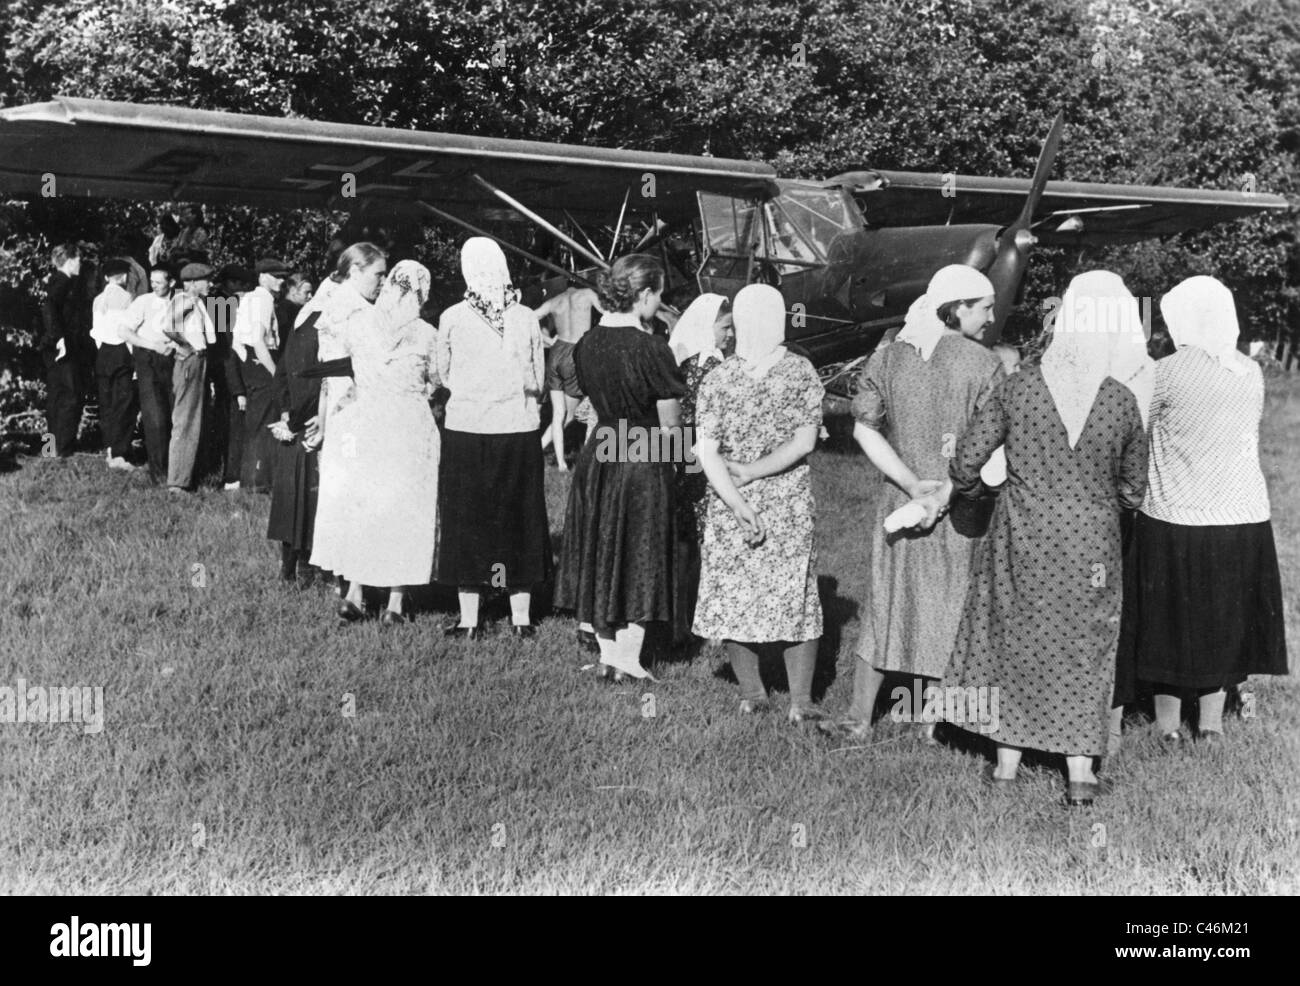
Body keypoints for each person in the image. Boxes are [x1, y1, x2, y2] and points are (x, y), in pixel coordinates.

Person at [943, 271, 1149, 807]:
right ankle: (1080, 773)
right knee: (1085, 645)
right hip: (1093, 544)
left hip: (1024, 534)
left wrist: (977, 489)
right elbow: (1134, 490)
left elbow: (967, 460)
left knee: (1016, 634)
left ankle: (1006, 766)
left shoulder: (1019, 387)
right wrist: (1105, 506)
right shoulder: (1120, 400)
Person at [820, 265, 1005, 740]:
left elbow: (864, 428)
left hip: (898, 500)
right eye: (984, 306)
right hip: (960, 504)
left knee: (888, 600)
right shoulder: (984, 365)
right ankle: (930, 722)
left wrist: (909, 484)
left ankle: (860, 717)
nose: (990, 316)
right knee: (951, 604)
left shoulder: (887, 359)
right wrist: (944, 491)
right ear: (958, 306)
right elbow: (992, 449)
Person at [1118, 275, 1287, 744]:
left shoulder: (1164, 372)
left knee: (1168, 618)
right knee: (1223, 618)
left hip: (1176, 512)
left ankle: (1169, 726)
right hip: (1240, 514)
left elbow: (1139, 431)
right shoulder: (1248, 371)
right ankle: (1210, 724)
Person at [692, 284, 825, 720]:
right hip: (787, 497)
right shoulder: (801, 371)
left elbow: (706, 452)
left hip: (730, 498)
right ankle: (802, 701)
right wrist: (758, 471)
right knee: (797, 594)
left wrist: (737, 501)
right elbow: (805, 442)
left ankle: (753, 694)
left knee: (735, 593)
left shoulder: (717, 377)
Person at [554, 254, 688, 678]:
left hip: (601, 450)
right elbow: (670, 423)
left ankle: (609, 655)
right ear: (644, 294)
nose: (659, 304)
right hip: (642, 451)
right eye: (659, 296)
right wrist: (683, 467)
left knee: (603, 545)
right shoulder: (652, 348)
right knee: (639, 550)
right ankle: (629, 660)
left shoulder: (587, 343)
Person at [434, 238, 550, 639]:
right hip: (518, 428)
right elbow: (538, 376)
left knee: (468, 519)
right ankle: (521, 618)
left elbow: (441, 374)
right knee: (519, 518)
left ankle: (470, 618)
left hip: (467, 428)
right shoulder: (526, 317)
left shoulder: (451, 317)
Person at [316, 261, 440, 624]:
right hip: (409, 425)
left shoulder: (360, 323)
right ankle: (396, 602)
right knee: (407, 509)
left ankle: (355, 591)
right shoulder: (427, 334)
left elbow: (341, 361)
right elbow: (438, 378)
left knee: (366, 504)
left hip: (368, 422)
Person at [310, 242, 389, 596]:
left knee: (341, 492)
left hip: (343, 410)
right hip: (357, 409)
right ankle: (352, 574)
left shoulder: (332, 304)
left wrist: (323, 419)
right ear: (356, 270)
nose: (383, 282)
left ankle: (343, 575)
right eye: (378, 274)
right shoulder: (356, 310)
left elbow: (327, 376)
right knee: (356, 493)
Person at [665, 292, 733, 647]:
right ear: (709, 327)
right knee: (707, 545)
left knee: (686, 544)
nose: (729, 335)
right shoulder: (711, 365)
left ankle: (680, 620)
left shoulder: (681, 357)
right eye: (724, 327)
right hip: (705, 460)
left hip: (683, 457)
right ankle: (709, 626)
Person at [267, 276, 332, 586]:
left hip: (295, 419)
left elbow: (282, 370)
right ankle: (301, 568)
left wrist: (284, 413)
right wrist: (291, 419)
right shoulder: (320, 322)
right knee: (306, 499)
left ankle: (292, 570)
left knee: (293, 498)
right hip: (309, 422)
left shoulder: (304, 317)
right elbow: (308, 377)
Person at [233, 258, 291, 492]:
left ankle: (252, 479)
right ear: (263, 277)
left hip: (252, 361)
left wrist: (247, 361)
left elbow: (237, 341)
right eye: (277, 276)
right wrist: (275, 373)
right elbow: (258, 340)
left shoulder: (249, 298)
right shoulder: (263, 300)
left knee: (257, 421)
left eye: (283, 277)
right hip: (264, 360)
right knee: (265, 420)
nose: (282, 281)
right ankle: (259, 481)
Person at [535, 277, 602, 471]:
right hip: (576, 352)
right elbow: (608, 314)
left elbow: (527, 318)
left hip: (556, 351)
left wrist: (547, 340)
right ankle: (557, 460)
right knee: (570, 414)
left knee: (558, 412)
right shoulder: (588, 294)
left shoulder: (555, 300)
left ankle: (558, 462)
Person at [119, 265, 177, 484]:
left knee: (174, 414)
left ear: (171, 283)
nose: (153, 286)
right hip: (149, 360)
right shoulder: (143, 302)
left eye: (158, 282)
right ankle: (159, 473)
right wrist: (152, 345)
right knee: (155, 417)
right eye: (151, 281)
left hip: (173, 360)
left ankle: (177, 469)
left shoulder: (179, 300)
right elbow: (123, 331)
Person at [164, 262, 217, 492]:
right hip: (190, 362)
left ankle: (185, 477)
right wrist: (184, 345)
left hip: (198, 360)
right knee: (185, 420)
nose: (211, 284)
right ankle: (177, 482)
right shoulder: (184, 300)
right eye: (207, 280)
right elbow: (167, 326)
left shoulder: (196, 302)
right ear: (194, 283)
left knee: (193, 419)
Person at [89, 258, 138, 470]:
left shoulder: (98, 300)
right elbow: (128, 332)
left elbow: (96, 332)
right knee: (124, 403)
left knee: (107, 401)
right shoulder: (128, 298)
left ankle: (110, 448)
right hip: (121, 352)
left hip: (103, 353)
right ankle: (120, 453)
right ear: (124, 276)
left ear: (107, 277)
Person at [40, 244, 86, 458]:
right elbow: (49, 307)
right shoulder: (64, 282)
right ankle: (64, 449)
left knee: (56, 396)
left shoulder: (56, 280)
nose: (81, 263)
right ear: (69, 260)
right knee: (71, 395)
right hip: (62, 347)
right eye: (78, 259)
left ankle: (49, 448)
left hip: (54, 346)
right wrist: (59, 339)